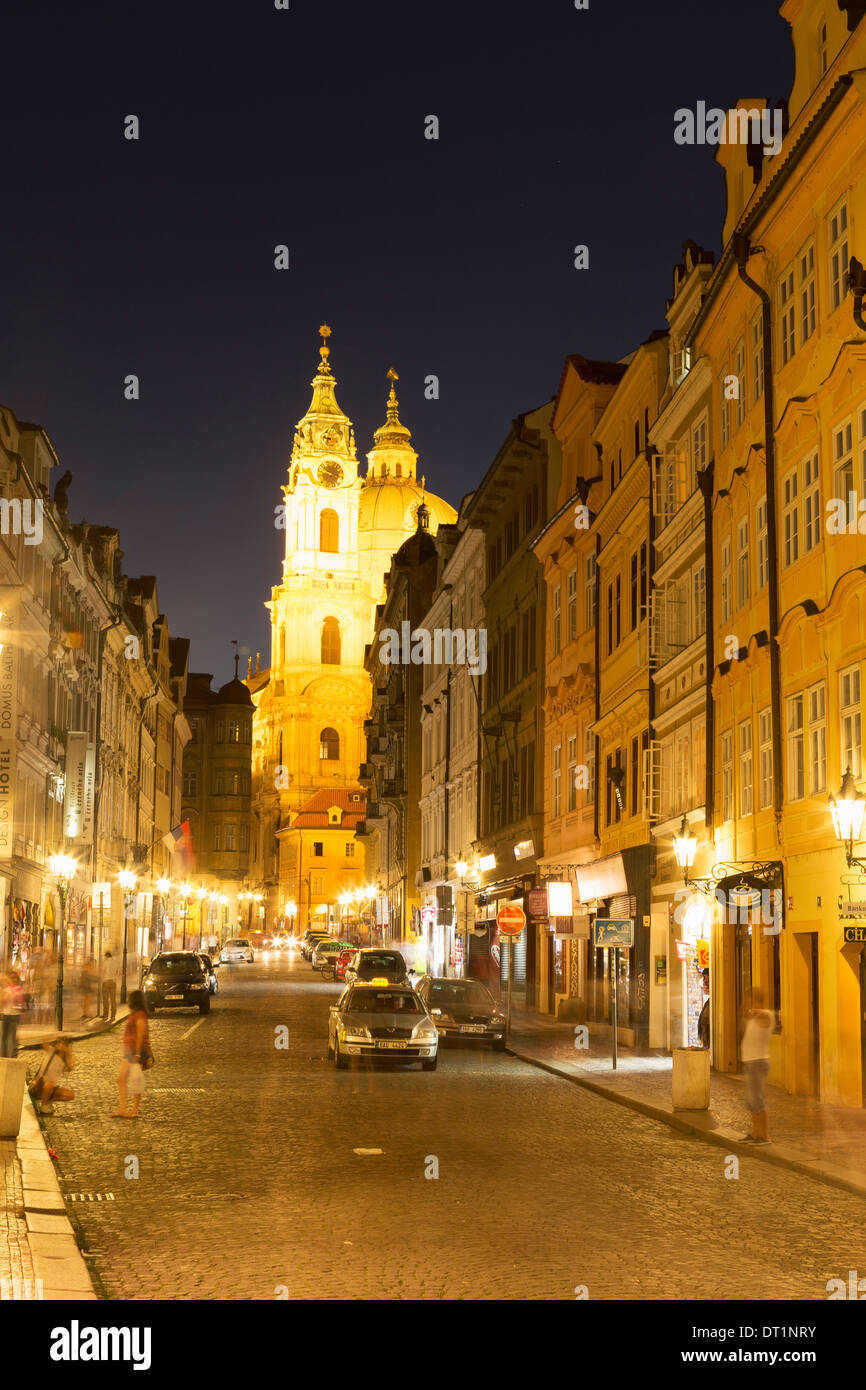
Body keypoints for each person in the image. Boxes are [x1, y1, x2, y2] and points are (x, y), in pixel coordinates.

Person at [741, 986, 774, 1144]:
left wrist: (752, 1009)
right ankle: (755, 1133)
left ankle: (765, 1135)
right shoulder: (753, 1016)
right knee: (751, 1100)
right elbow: (746, 1014)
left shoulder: (767, 1015)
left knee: (757, 1099)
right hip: (750, 1061)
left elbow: (758, 1013)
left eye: (750, 999)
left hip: (758, 1062)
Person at [114, 989, 150, 1119]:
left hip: (136, 1052)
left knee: (136, 1080)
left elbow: (140, 1034)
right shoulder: (135, 1014)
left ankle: (134, 1110)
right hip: (130, 1051)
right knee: (121, 1079)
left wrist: (138, 1055)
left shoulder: (140, 1015)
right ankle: (122, 1109)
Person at [0, 972, 23, 1057]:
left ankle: (9, 1055)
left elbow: (4, 1002)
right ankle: (7, 1055)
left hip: (11, 1015)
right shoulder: (13, 989)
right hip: (11, 1014)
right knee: (8, 1036)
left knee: (9, 1037)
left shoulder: (14, 989)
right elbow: (3, 1002)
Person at [101, 950, 119, 1021]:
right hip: (113, 982)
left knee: (105, 999)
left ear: (106, 956)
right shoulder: (115, 962)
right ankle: (113, 1016)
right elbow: (118, 972)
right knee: (113, 1000)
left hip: (106, 981)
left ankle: (106, 1015)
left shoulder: (105, 962)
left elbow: (103, 972)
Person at [697, 968, 710, 1048]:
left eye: (707, 981)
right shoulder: (709, 1002)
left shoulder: (714, 1003)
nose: (705, 985)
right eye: (704, 981)